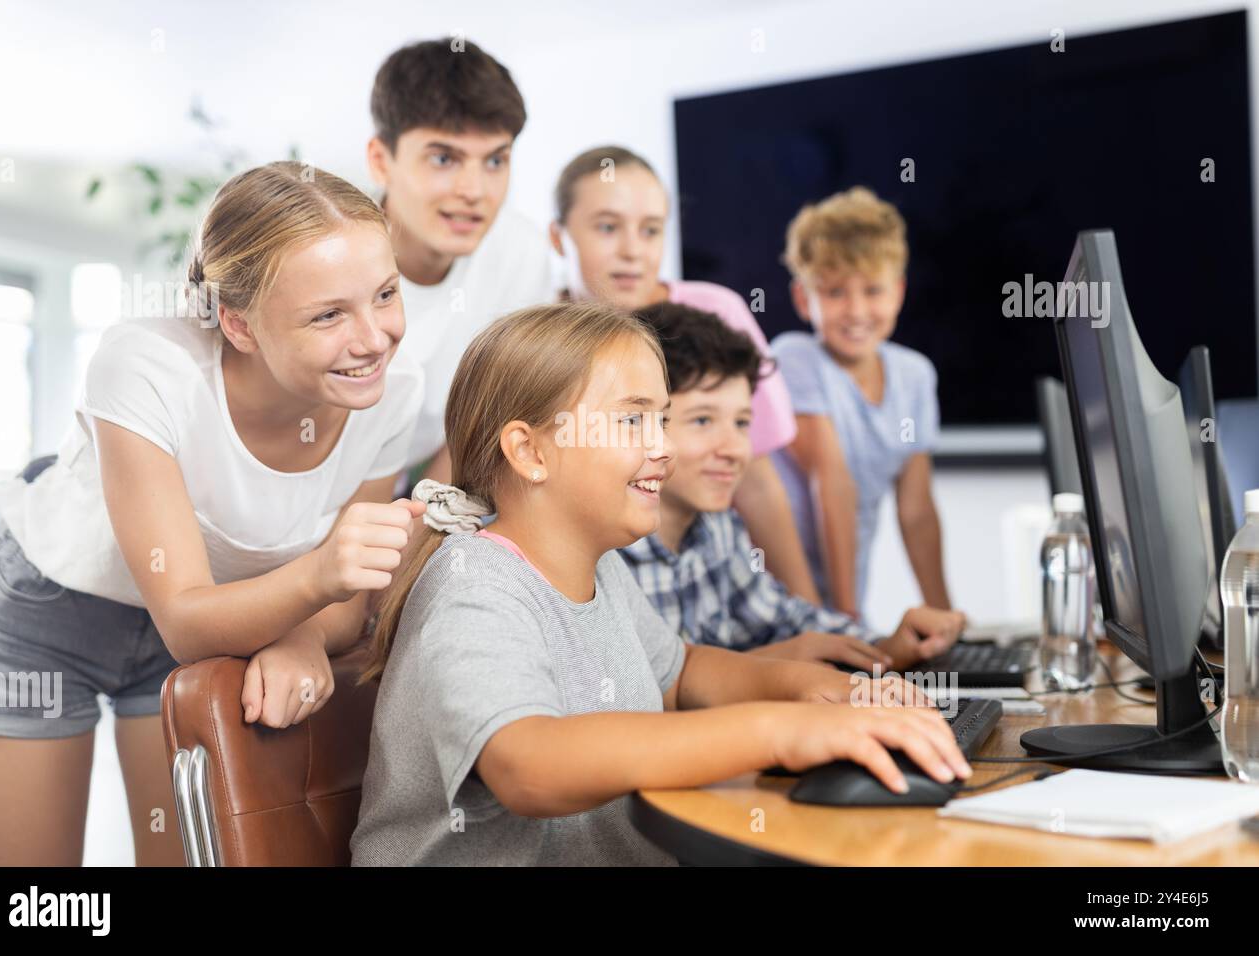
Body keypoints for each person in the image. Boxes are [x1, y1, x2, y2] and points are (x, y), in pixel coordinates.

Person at [350, 301, 969, 866]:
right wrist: (780, 732)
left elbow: (682, 674)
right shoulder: (474, 585)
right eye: (633, 423)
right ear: (531, 452)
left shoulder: (598, 568)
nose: (663, 449)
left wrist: (818, 692)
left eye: (664, 420)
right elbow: (527, 765)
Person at [0, 162, 425, 865]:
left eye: (385, 294)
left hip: (231, 624)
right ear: (236, 322)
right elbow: (187, 613)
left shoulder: (392, 396)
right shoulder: (149, 366)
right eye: (328, 314)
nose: (374, 338)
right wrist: (318, 582)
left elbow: (346, 601)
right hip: (53, 617)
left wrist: (302, 637)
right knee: (36, 892)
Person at [548, 145, 822, 604]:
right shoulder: (536, 343)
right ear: (559, 237)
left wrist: (807, 605)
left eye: (651, 230)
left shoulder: (716, 312)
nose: (633, 251)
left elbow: (757, 482)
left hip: (701, 577)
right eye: (608, 227)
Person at [621, 301, 965, 666]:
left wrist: (887, 645)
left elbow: (783, 619)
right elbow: (647, 699)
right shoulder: (612, 556)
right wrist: (777, 663)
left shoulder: (717, 528)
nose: (734, 450)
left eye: (741, 423)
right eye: (703, 421)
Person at [366, 38, 551, 487]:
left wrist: (426, 519)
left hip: (410, 494)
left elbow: (491, 409)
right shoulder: (333, 261)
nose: (474, 191)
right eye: (444, 158)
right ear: (381, 161)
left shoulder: (520, 253)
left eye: (495, 160)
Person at [772, 187, 954, 620]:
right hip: (781, 603)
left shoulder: (914, 376)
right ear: (803, 298)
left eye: (873, 290)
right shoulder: (793, 357)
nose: (856, 311)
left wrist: (944, 617)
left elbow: (916, 511)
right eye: (834, 293)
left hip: (842, 600)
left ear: (898, 292)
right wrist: (846, 620)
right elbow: (830, 483)